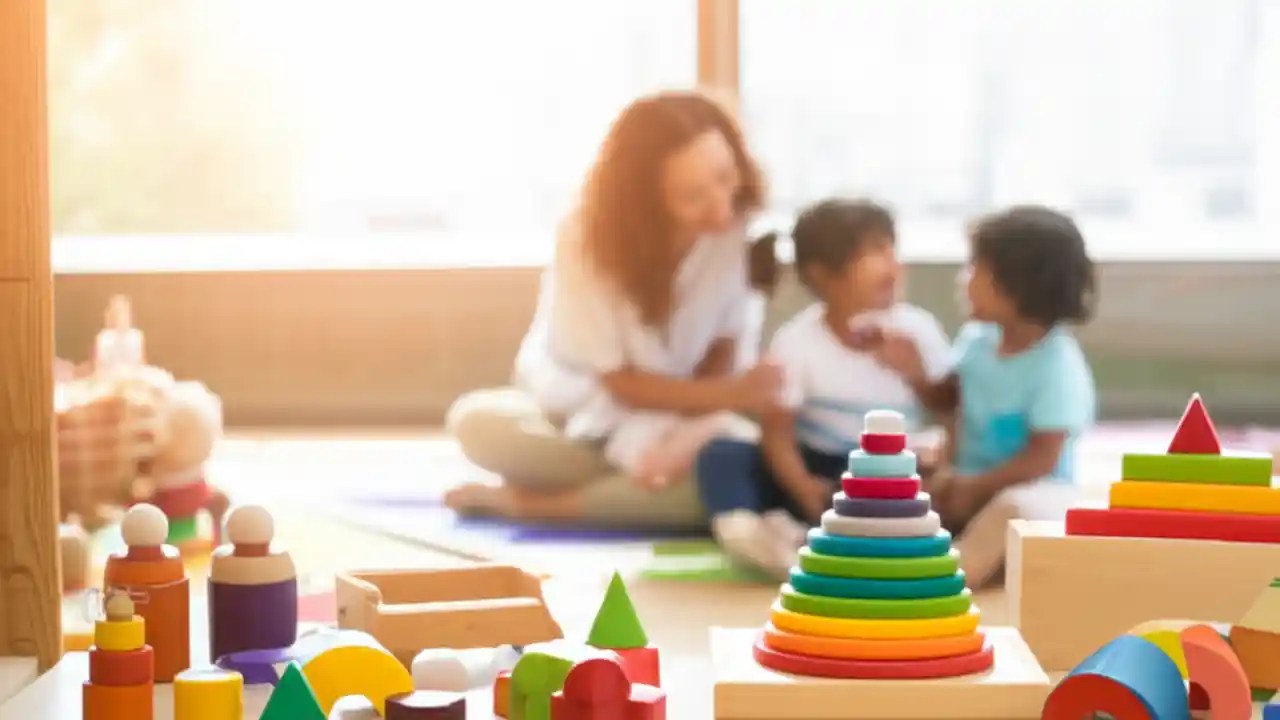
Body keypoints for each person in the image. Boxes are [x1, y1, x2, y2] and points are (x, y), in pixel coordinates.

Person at [445, 91, 779, 527]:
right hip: (583, 409)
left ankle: (536, 502)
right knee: (477, 425)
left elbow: (727, 340)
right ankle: (634, 489)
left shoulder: (740, 220)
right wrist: (727, 402)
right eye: (692, 196)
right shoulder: (587, 239)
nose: (720, 205)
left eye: (724, 175)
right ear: (646, 203)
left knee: (733, 465)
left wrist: (696, 423)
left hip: (686, 411)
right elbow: (620, 383)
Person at [694, 199, 952, 574]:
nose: (893, 263)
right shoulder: (798, 341)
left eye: (892, 248)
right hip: (824, 471)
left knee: (930, 472)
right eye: (876, 251)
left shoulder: (918, 331)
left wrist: (916, 373)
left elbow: (951, 409)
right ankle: (753, 535)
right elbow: (778, 431)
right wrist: (801, 486)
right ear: (824, 275)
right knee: (723, 454)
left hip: (892, 471)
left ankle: (850, 538)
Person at [877, 205, 1097, 535]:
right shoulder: (978, 341)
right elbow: (949, 400)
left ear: (1020, 284)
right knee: (888, 480)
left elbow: (1042, 458)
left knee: (1011, 510)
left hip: (1030, 498)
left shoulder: (1057, 364)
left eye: (976, 268)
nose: (964, 280)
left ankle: (960, 566)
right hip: (969, 488)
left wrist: (976, 486)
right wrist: (913, 371)